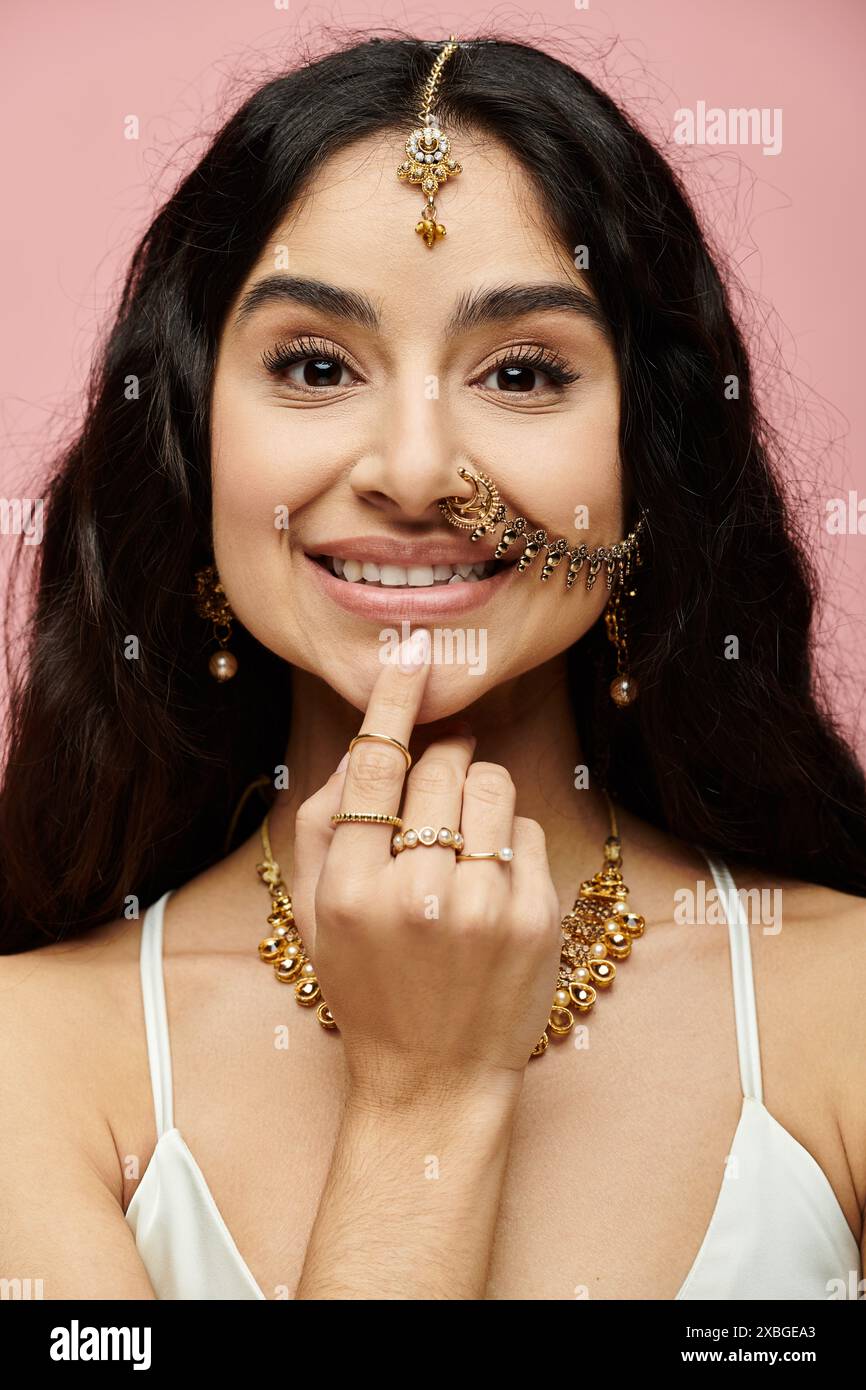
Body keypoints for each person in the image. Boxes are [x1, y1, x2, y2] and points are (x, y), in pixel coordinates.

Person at [1, 32, 864, 1302]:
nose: (413, 473)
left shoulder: (839, 1006)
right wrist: (423, 1105)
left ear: (646, 458)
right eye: (314, 366)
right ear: (191, 441)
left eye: (520, 372)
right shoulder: (28, 1063)